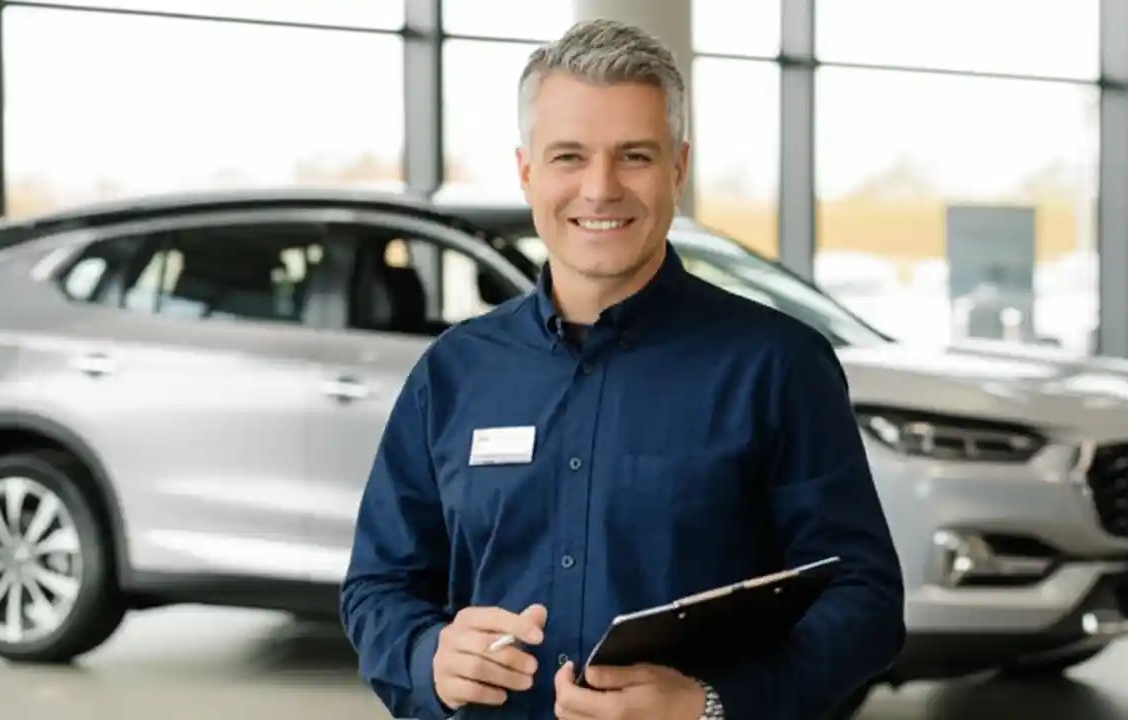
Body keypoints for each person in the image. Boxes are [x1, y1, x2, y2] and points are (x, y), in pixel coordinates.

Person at [340, 18, 905, 720]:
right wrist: (427, 657)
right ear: (526, 172)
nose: (600, 189)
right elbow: (378, 586)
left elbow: (866, 600)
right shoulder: (452, 374)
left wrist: (712, 705)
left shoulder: (778, 366)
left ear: (679, 167)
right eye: (569, 157)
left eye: (633, 156)